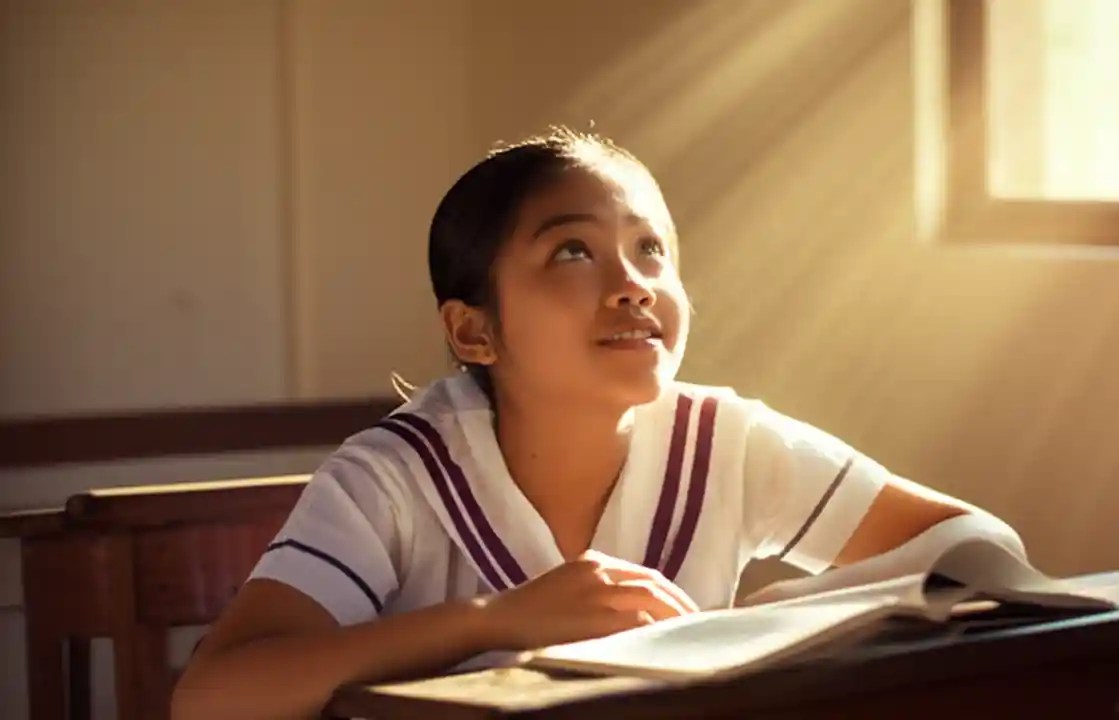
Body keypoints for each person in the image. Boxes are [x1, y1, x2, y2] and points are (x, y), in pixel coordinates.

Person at [171, 127, 1023, 720]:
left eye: (651, 250)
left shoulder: (725, 442)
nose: (633, 284)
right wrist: (493, 620)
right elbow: (212, 698)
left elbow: (977, 547)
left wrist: (753, 632)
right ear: (474, 332)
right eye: (572, 252)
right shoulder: (392, 478)